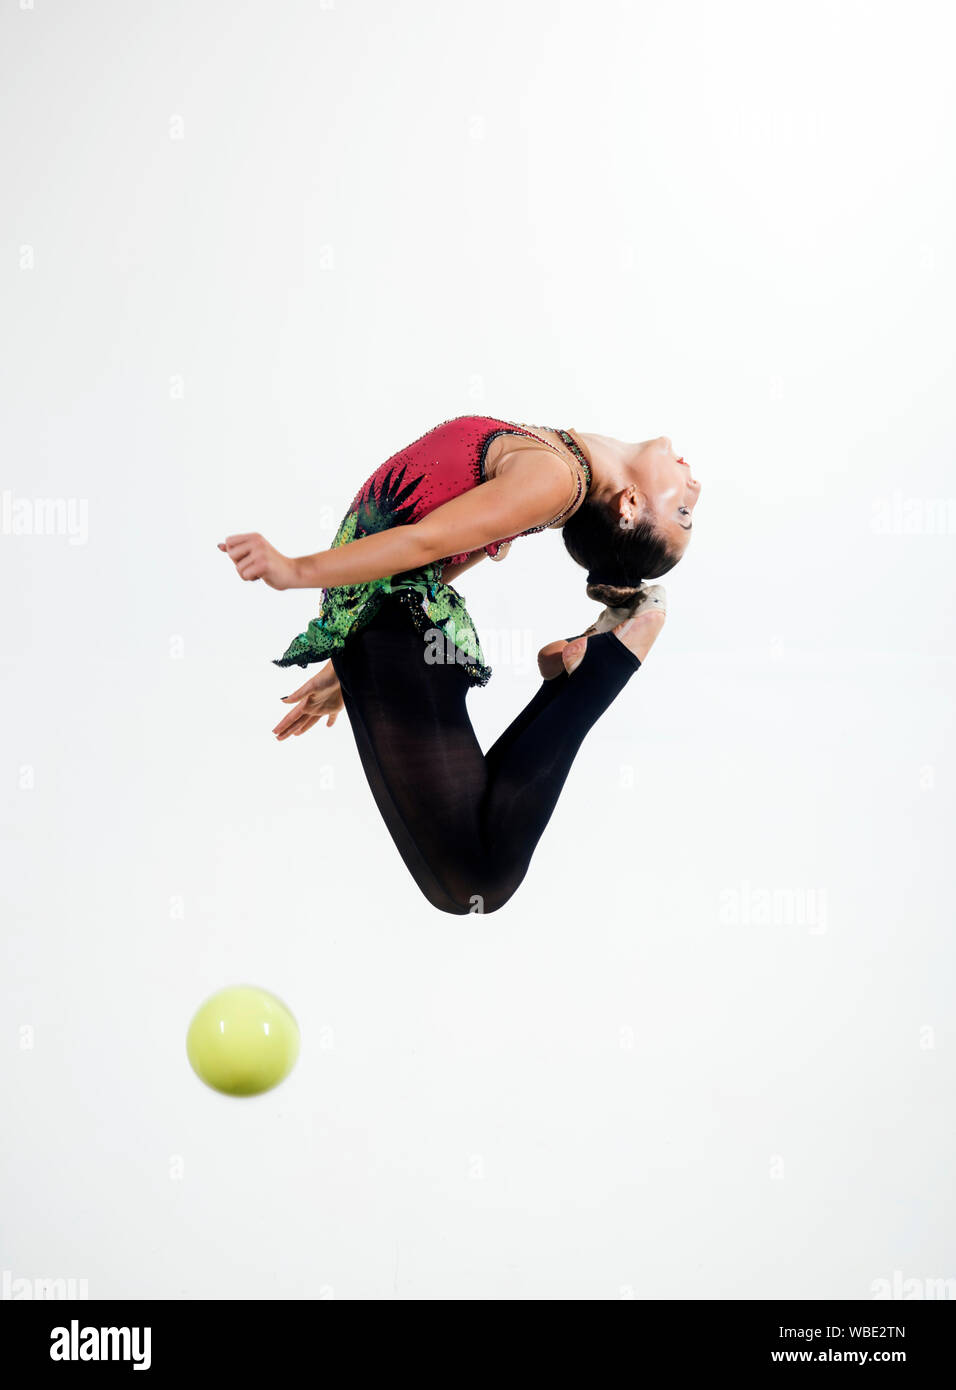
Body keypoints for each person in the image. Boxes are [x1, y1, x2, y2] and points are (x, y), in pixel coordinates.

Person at [219, 415, 701, 913]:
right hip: (396, 635)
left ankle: (603, 664)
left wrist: (296, 573)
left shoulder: (557, 474)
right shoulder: (558, 472)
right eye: (686, 512)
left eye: (684, 510)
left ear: (629, 506)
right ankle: (594, 668)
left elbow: (427, 545)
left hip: (399, 637)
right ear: (629, 502)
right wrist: (340, 636)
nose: (696, 487)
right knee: (477, 877)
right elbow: (435, 545)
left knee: (475, 881)